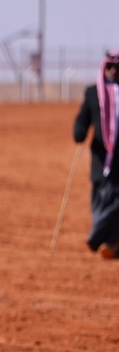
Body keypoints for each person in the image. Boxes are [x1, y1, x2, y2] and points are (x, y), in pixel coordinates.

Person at [74, 51, 119, 258]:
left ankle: (103, 239)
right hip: (100, 160)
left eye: (118, 68)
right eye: (110, 67)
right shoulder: (93, 93)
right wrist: (80, 131)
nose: (114, 71)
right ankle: (104, 239)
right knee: (99, 200)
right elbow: (83, 119)